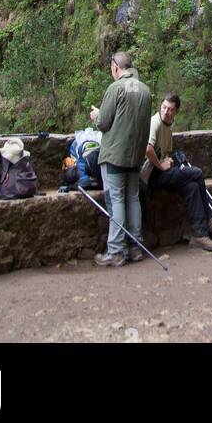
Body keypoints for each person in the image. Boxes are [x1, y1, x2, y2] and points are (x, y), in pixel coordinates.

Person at [90, 51, 151, 267]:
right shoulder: (144, 90)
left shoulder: (115, 89)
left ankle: (115, 250)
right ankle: (135, 247)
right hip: (136, 155)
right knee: (132, 198)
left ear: (115, 67)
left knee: (115, 199)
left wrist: (96, 115)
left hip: (115, 154)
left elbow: (104, 123)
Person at [141, 93, 212, 252]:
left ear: (176, 111)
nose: (166, 112)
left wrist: (168, 160)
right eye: (164, 107)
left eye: (170, 109)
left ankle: (201, 234)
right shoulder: (155, 123)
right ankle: (207, 220)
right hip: (150, 176)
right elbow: (148, 149)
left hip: (160, 172)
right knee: (197, 173)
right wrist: (160, 166)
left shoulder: (168, 125)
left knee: (192, 188)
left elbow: (165, 152)